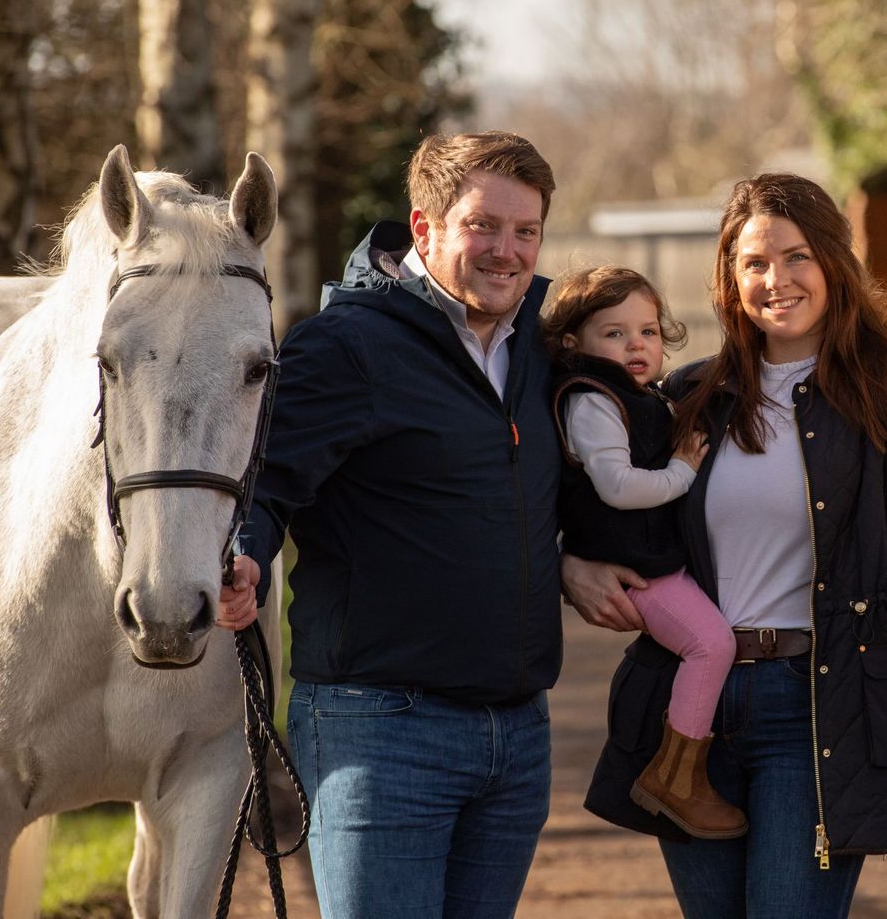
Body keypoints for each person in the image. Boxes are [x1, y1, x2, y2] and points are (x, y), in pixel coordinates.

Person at [213, 131, 639, 918]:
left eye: (526, 231)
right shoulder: (345, 347)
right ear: (425, 227)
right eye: (484, 226)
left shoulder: (546, 342)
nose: (507, 252)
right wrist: (241, 557)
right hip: (380, 730)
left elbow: (553, 479)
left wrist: (572, 558)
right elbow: (263, 487)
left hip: (517, 734)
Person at [582, 172, 887, 918]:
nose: (777, 280)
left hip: (817, 708)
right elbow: (614, 517)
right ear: (729, 277)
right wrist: (574, 566)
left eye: (797, 256)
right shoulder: (686, 396)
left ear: (834, 261)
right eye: (755, 263)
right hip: (689, 714)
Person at [541, 265, 747, 839]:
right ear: (571, 344)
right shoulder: (591, 401)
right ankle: (676, 778)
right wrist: (683, 470)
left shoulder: (642, 398)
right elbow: (618, 486)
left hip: (655, 560)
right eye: (614, 333)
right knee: (711, 644)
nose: (635, 344)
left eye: (648, 332)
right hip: (640, 571)